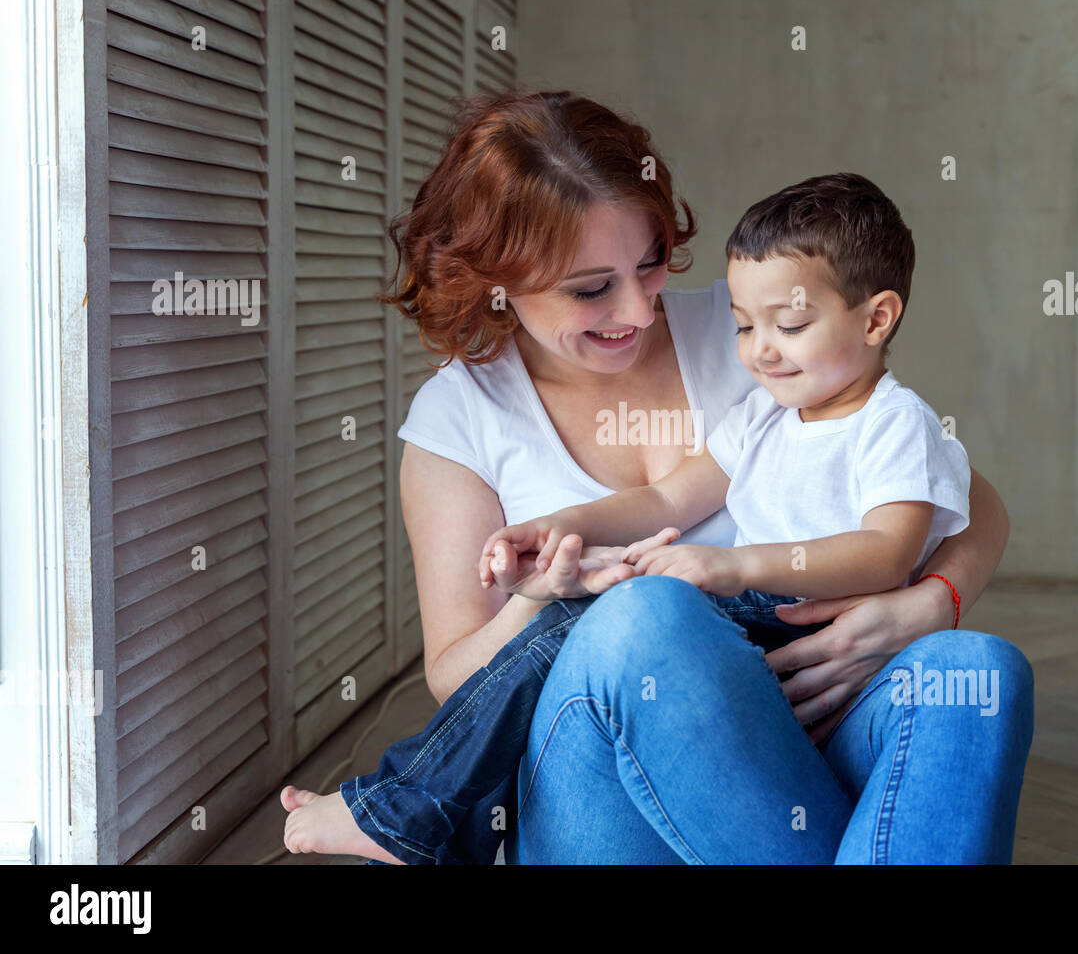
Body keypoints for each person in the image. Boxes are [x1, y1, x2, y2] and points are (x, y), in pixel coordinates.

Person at [280, 90, 1031, 864]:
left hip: (786, 737)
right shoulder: (458, 417)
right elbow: (455, 679)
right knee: (645, 616)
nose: (639, 310)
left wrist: (927, 605)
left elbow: (972, 502)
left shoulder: (754, 328)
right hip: (597, 782)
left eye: (650, 264)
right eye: (592, 287)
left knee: (977, 669)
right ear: (497, 281)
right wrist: (541, 594)